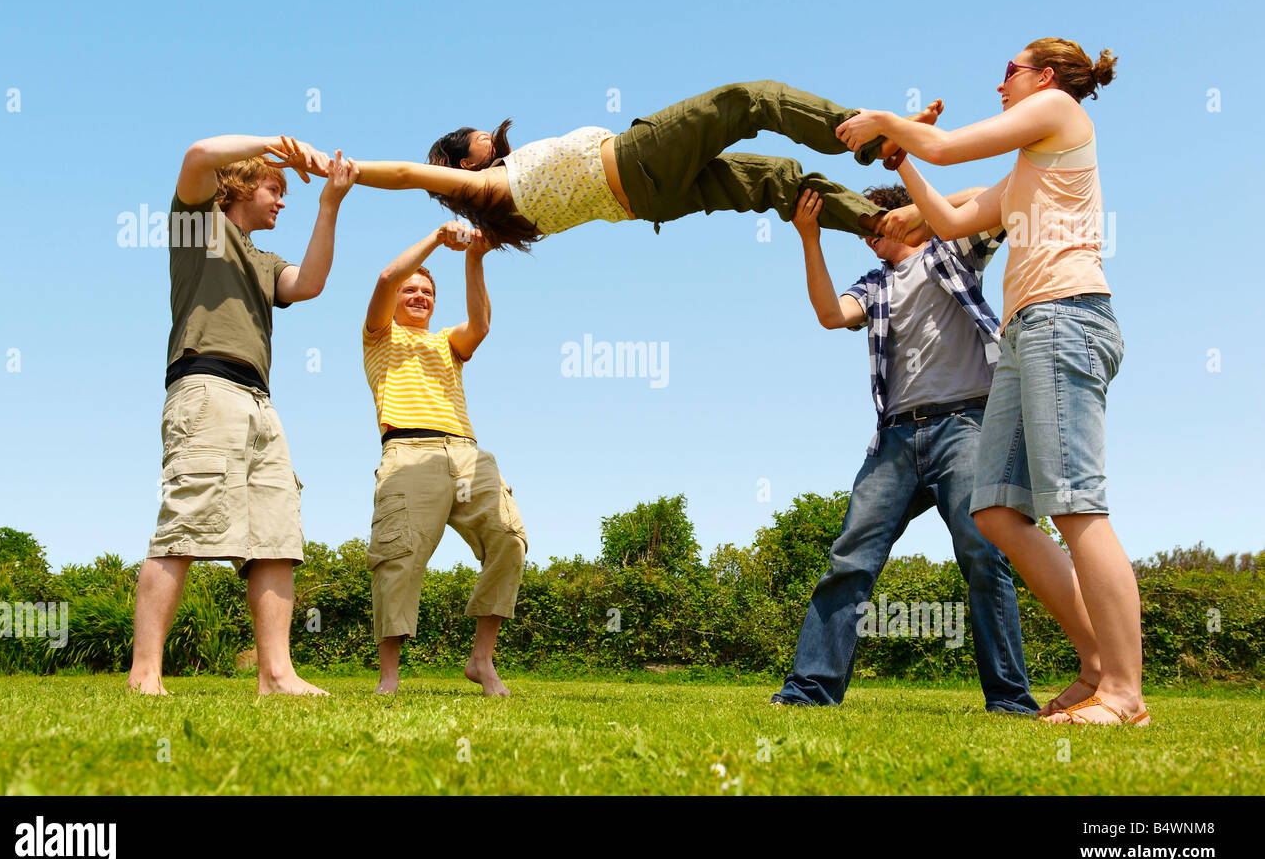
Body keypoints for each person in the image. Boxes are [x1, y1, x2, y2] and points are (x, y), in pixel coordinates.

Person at [835, 39, 1146, 726]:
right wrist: (902, 159)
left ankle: (1125, 692)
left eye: (1009, 70)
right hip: (1027, 335)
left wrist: (887, 118)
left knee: (1077, 507)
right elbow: (946, 219)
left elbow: (949, 148)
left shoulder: (1061, 111)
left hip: (1066, 318)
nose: (999, 82)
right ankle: (1095, 666)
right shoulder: (1027, 171)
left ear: (1043, 76)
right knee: (997, 513)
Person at [770, 186, 1038, 714]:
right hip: (894, 437)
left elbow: (998, 196)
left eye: (873, 220)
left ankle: (1009, 700)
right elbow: (830, 314)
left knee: (984, 553)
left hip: (965, 425)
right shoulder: (874, 285)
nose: (867, 233)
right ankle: (809, 691)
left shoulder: (951, 251)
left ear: (899, 218)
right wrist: (809, 237)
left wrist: (915, 211)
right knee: (850, 559)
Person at [127, 135, 358, 696]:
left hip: (260, 401)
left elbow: (310, 284)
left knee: (278, 537)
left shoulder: (263, 259)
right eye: (274, 188)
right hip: (205, 387)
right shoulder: (198, 228)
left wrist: (330, 205)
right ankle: (145, 673)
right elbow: (197, 154)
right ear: (238, 186)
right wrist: (285, 146)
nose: (282, 200)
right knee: (184, 527)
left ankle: (276, 675)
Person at [275, 82, 943, 250]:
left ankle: (883, 224)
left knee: (779, 185)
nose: (487, 136)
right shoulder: (485, 185)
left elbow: (468, 234)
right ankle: (868, 139)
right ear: (463, 163)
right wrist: (346, 169)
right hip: (636, 158)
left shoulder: (507, 215)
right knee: (749, 102)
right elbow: (411, 176)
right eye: (473, 139)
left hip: (648, 202)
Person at [362, 221, 527, 697]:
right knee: (399, 554)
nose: (418, 296)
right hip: (408, 451)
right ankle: (389, 676)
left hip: (467, 451)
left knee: (509, 538)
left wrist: (475, 257)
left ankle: (482, 660)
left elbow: (480, 326)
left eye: (426, 291)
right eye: (410, 289)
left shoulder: (447, 343)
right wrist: (437, 239)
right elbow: (384, 279)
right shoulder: (379, 336)